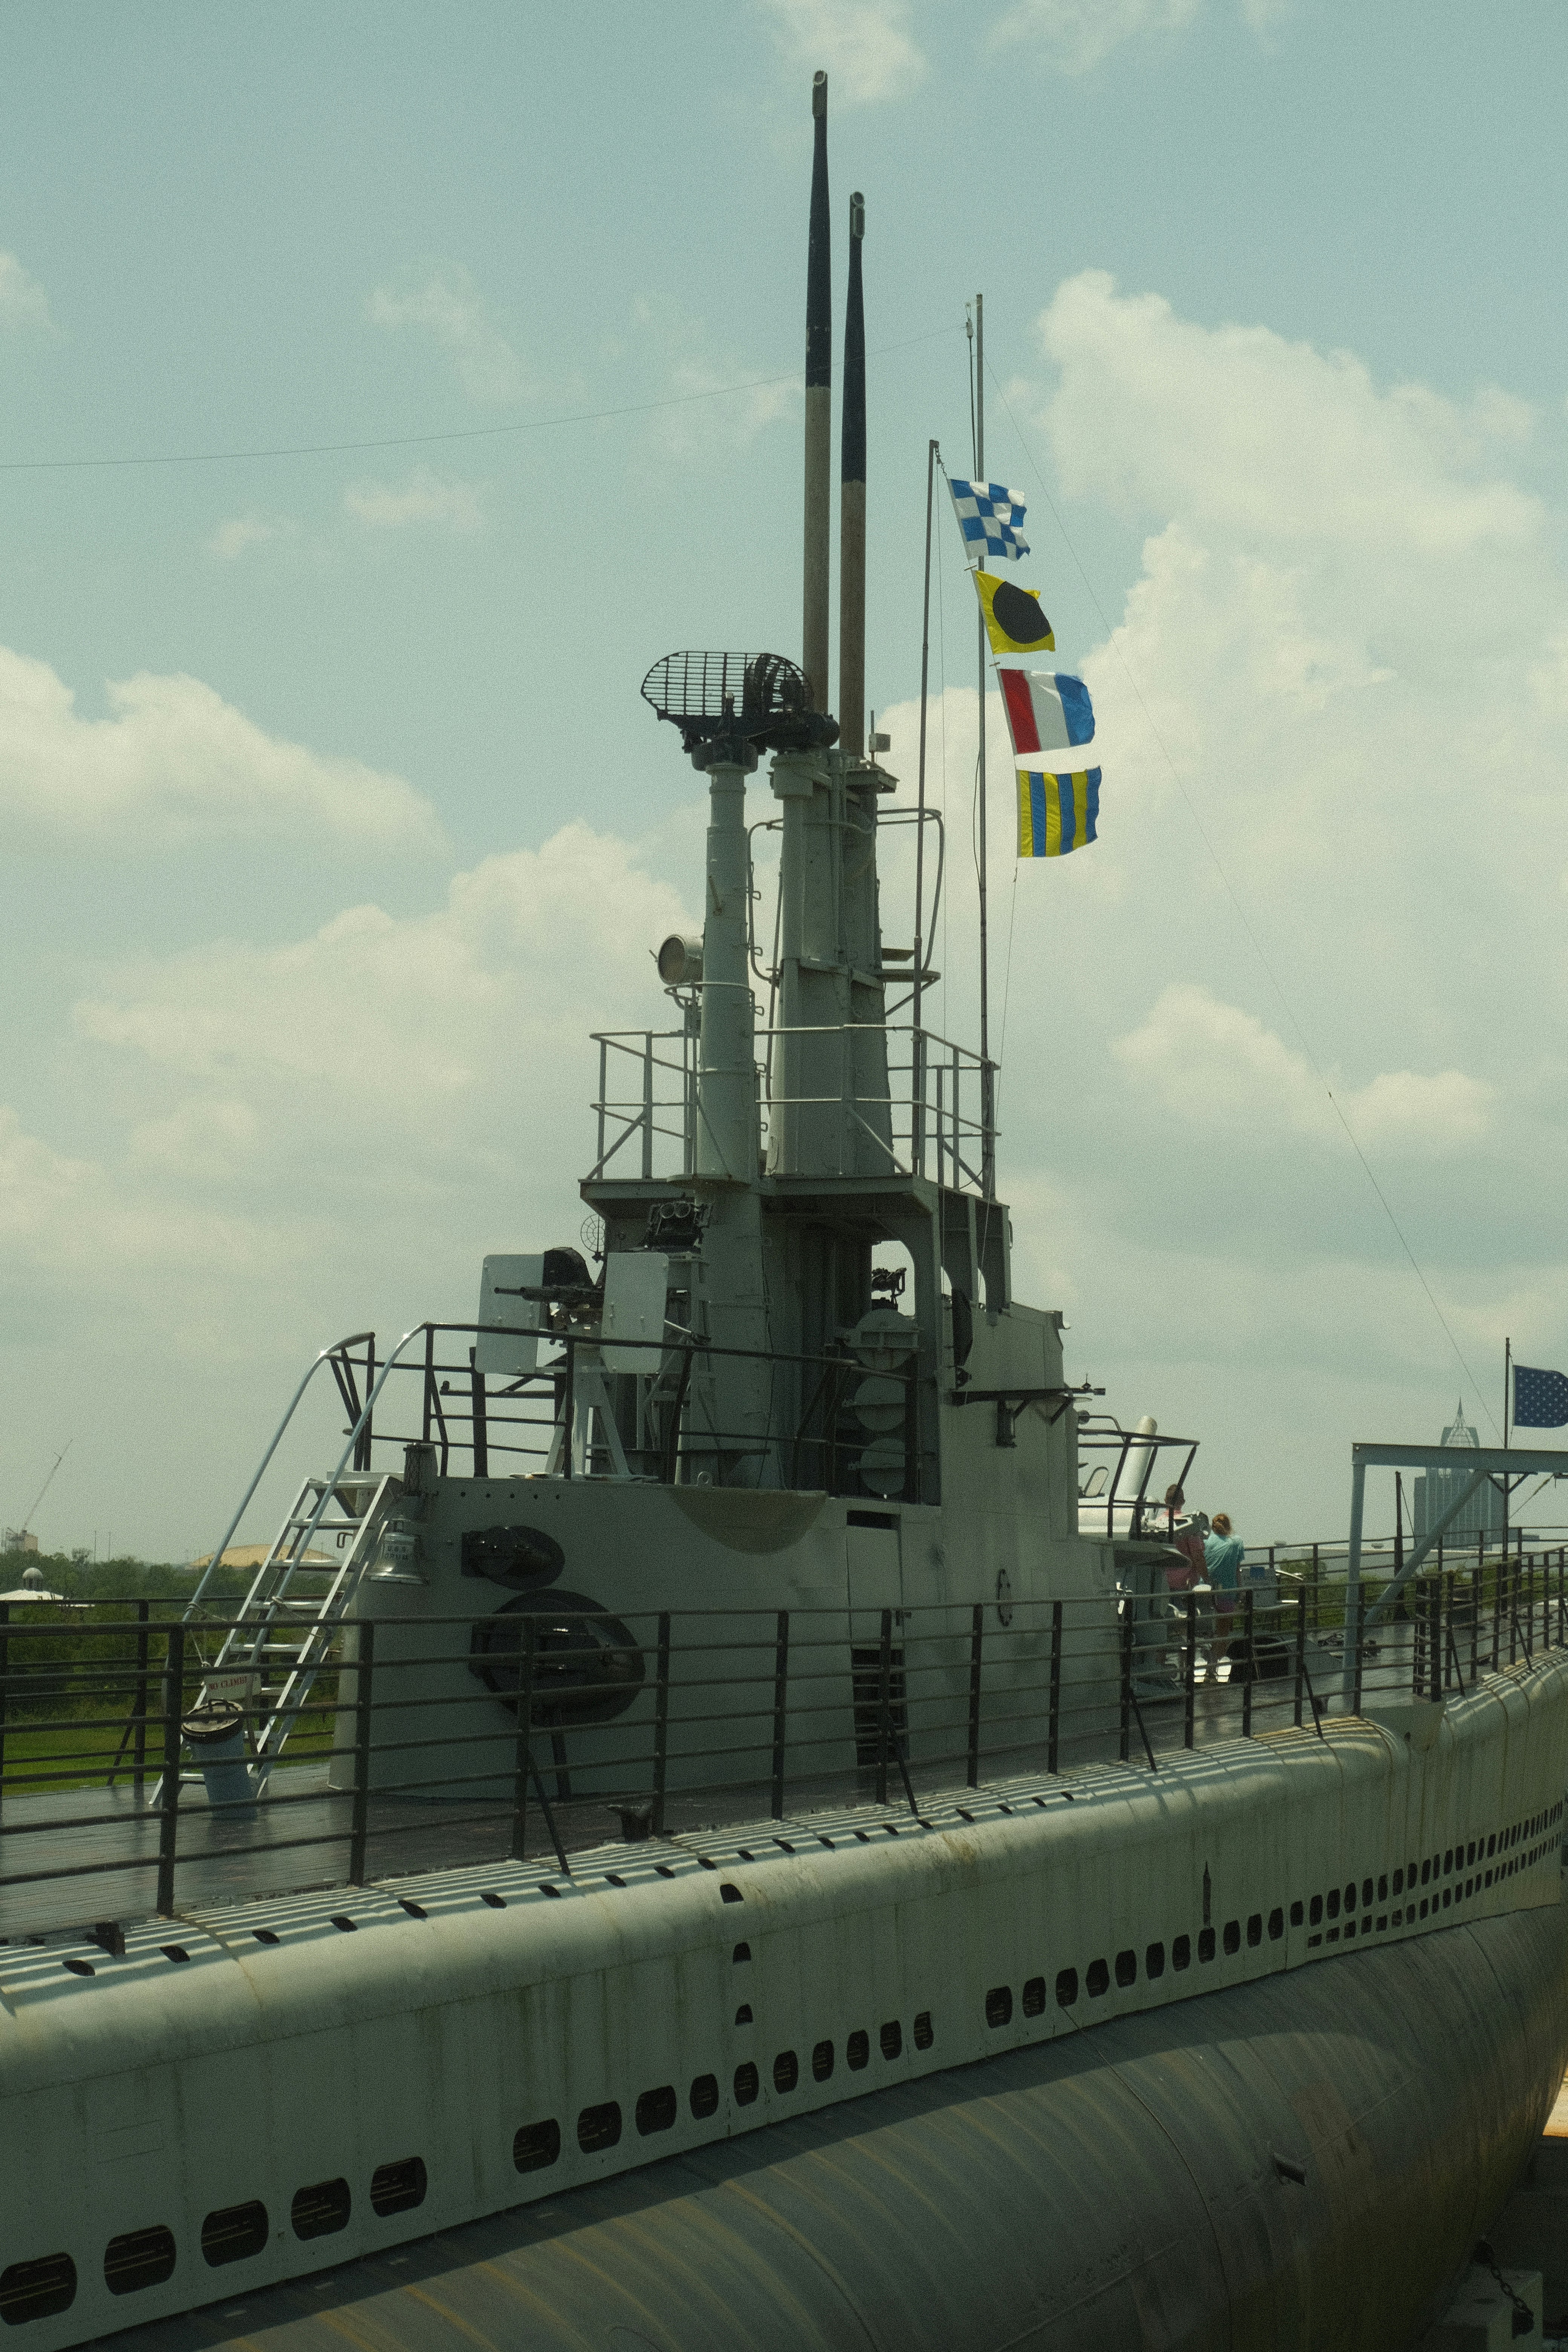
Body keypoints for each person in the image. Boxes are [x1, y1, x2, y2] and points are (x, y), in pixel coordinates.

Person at [1203, 1512, 1245, 1681]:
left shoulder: (1205, 1542)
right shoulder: (1236, 1543)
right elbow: (1237, 1570)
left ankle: (1198, 1668)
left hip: (1206, 1591)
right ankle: (1215, 1667)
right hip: (1228, 1592)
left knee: (1202, 1631)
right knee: (1223, 1631)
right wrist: (1241, 1591)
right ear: (1229, 1527)